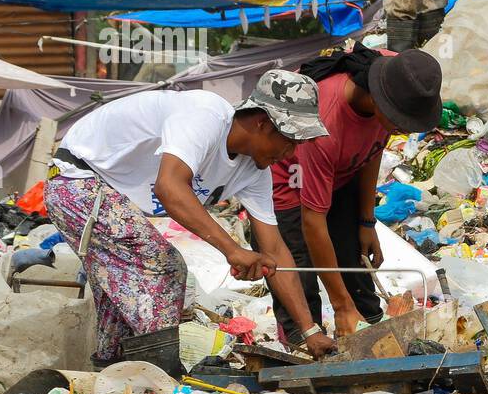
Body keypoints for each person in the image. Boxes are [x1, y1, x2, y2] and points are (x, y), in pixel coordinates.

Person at [44, 70, 338, 365]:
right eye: (290, 140)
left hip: (107, 194)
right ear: (263, 123)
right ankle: (162, 373)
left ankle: (114, 374)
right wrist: (234, 251)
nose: (290, 153)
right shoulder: (205, 114)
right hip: (77, 180)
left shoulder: (255, 172)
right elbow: (169, 187)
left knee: (122, 294)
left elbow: (275, 251)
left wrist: (309, 331)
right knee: (161, 267)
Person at [265, 46, 443, 341]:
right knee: (300, 282)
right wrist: (340, 306)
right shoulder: (324, 123)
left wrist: (366, 222)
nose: (401, 130)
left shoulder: (395, 76)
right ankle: (303, 346)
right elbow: (313, 222)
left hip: (340, 173)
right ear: (376, 99)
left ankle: (366, 328)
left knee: (355, 266)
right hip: (288, 183)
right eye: (400, 121)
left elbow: (371, 148)